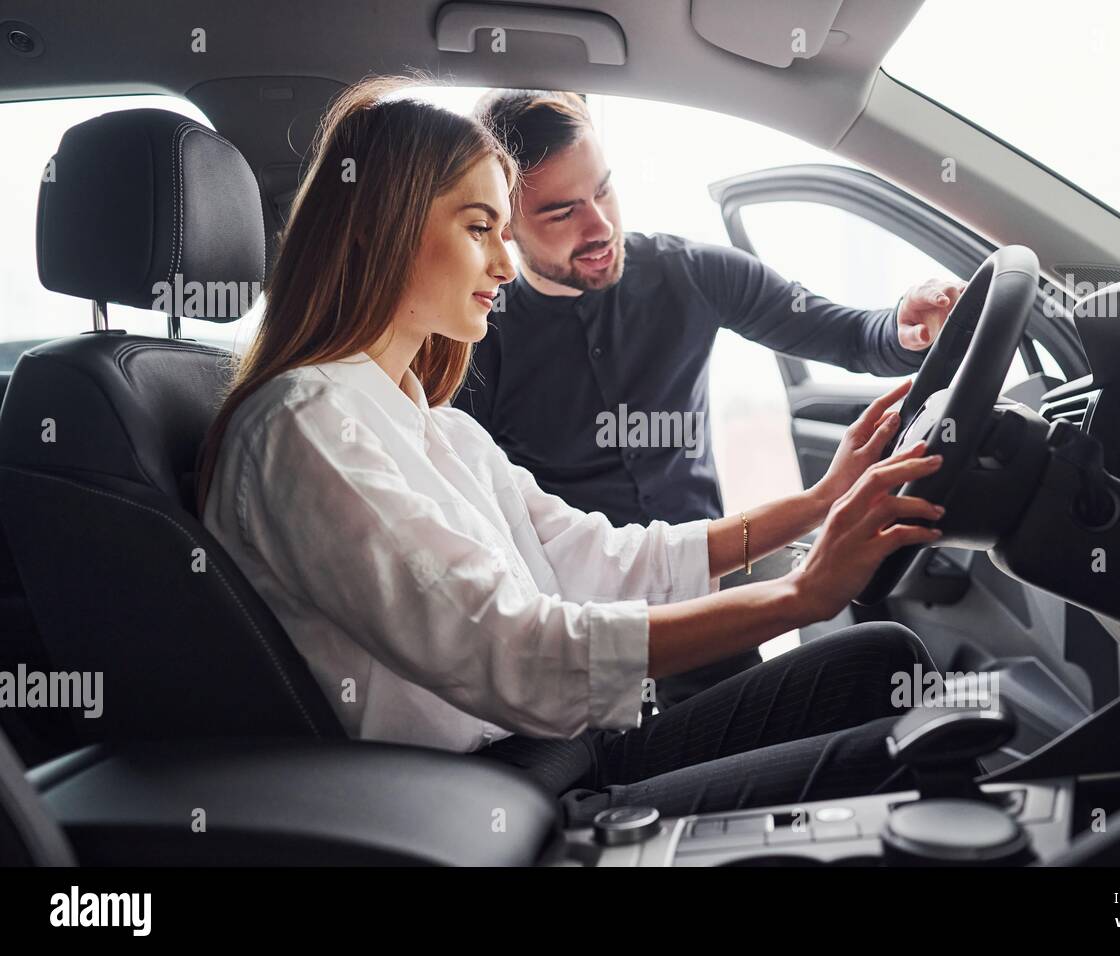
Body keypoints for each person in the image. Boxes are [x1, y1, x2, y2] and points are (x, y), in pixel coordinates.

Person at [196, 75, 946, 828]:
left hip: (565, 745)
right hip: (485, 802)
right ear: (381, 230)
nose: (502, 263)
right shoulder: (308, 425)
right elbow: (515, 650)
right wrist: (802, 594)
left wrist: (819, 506)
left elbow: (608, 560)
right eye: (479, 228)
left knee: (879, 664)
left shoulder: (433, 424)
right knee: (907, 748)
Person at [456, 89, 964, 711]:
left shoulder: (689, 272)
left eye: (605, 191)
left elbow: (855, 334)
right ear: (505, 227)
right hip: (578, 634)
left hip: (709, 589)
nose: (600, 227)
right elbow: (476, 516)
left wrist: (907, 323)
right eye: (562, 214)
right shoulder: (477, 338)